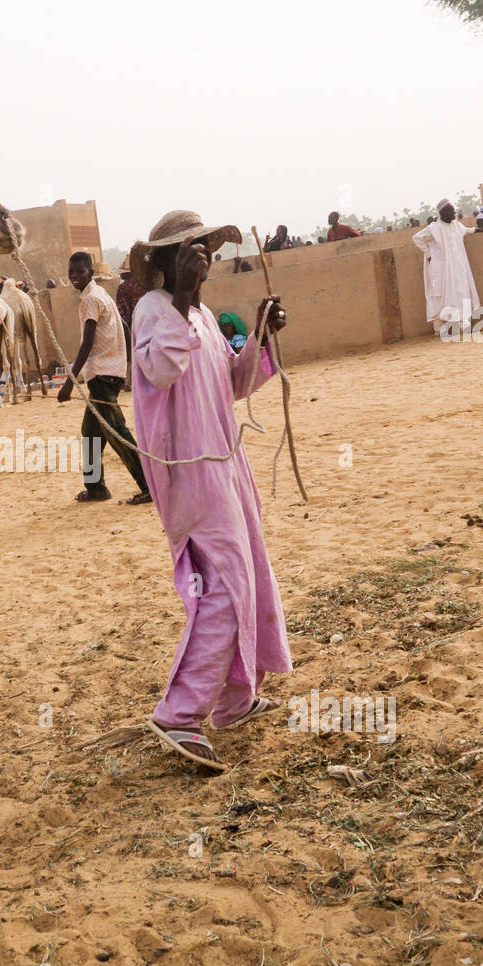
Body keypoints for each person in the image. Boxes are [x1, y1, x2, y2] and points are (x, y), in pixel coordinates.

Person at [126, 211, 291, 772]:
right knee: (222, 584)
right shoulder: (155, 310)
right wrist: (181, 298)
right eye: (191, 250)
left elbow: (235, 384)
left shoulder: (198, 314)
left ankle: (235, 699)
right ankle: (180, 712)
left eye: (206, 249)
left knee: (249, 573)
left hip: (226, 463)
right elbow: (161, 370)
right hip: (190, 469)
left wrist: (261, 335)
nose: (203, 258)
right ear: (165, 261)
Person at [58, 251, 150, 504]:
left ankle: (149, 486)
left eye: (79, 272)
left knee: (116, 432)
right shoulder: (101, 294)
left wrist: (69, 383)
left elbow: (87, 343)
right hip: (110, 372)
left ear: (90, 272)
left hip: (102, 374)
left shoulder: (90, 298)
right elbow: (125, 327)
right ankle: (96, 487)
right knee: (90, 431)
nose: (74, 276)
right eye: (72, 272)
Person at [413, 199, 482, 333]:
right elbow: (417, 238)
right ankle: (438, 329)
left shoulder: (456, 225)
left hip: (458, 267)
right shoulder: (434, 228)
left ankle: (464, 324)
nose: (454, 212)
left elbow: (465, 230)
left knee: (462, 293)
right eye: (451, 210)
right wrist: (428, 254)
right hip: (442, 269)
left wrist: (476, 230)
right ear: (443, 213)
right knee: (439, 296)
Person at [115, 264, 145, 387]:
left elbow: (123, 311)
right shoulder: (144, 285)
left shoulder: (123, 287)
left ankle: (129, 382)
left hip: (133, 324)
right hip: (147, 320)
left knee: (131, 352)